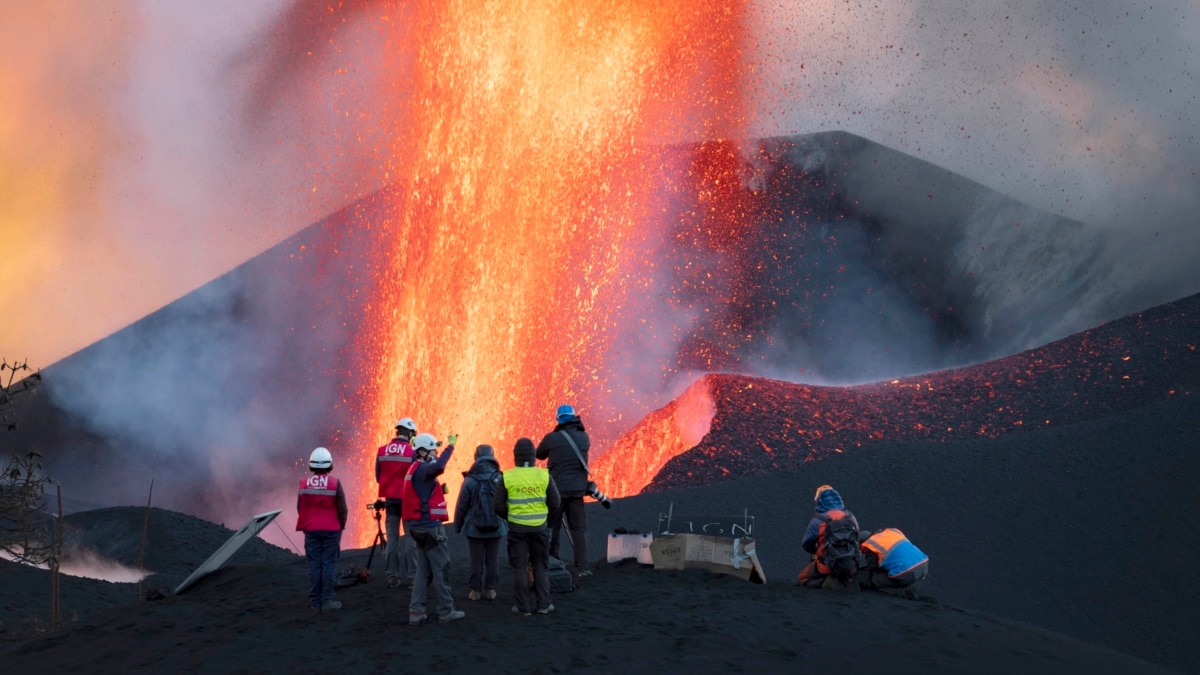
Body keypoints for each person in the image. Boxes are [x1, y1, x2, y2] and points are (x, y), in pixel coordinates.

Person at [402, 432, 465, 625]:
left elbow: (421, 490)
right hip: (429, 528)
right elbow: (438, 467)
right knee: (441, 569)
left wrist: (437, 491)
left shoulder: (413, 468)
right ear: (422, 451)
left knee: (422, 571)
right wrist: (450, 447)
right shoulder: (422, 468)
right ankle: (446, 611)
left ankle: (416, 612)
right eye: (432, 450)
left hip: (417, 528)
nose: (435, 454)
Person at [495, 437, 561, 616]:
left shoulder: (507, 476)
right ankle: (544, 605)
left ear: (515, 456)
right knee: (540, 566)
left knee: (520, 567)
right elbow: (555, 502)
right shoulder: (544, 475)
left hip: (517, 530)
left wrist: (511, 517)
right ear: (533, 456)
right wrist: (543, 515)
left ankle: (523, 608)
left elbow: (498, 505)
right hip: (539, 528)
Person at [535, 403, 592, 576]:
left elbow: (539, 454)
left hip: (556, 490)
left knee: (553, 526)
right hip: (577, 490)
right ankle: (582, 567)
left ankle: (552, 561)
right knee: (578, 529)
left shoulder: (551, 438)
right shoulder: (584, 437)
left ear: (558, 419)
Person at [296, 446, 348, 612]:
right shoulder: (334, 483)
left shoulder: (304, 484)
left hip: (311, 531)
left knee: (314, 565)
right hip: (332, 531)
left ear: (312, 465)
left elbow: (300, 507)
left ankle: (315, 603)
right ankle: (327, 601)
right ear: (329, 465)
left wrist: (307, 525)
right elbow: (342, 509)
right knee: (328, 564)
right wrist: (341, 526)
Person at [454, 443, 508, 601]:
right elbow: (506, 502)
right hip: (497, 527)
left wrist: (458, 525)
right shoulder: (500, 478)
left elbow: (461, 506)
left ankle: (475, 591)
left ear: (475, 457)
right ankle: (491, 590)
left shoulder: (470, 480)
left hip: (474, 528)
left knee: (476, 560)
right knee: (493, 559)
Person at [376, 417, 418, 588]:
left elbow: (379, 477)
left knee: (392, 538)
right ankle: (413, 576)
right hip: (408, 500)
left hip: (391, 501)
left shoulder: (381, 450)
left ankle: (392, 576)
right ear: (409, 433)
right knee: (410, 537)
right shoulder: (412, 451)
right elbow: (417, 476)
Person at [797, 484, 862, 590]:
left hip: (827, 565)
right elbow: (857, 536)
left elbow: (806, 544)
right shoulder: (850, 517)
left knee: (802, 578)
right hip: (851, 563)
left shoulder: (818, 520)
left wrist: (818, 550)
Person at [859, 528, 929, 599]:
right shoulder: (892, 531)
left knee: (875, 579)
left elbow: (872, 567)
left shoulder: (869, 544)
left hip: (906, 571)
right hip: (923, 565)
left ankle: (901, 595)